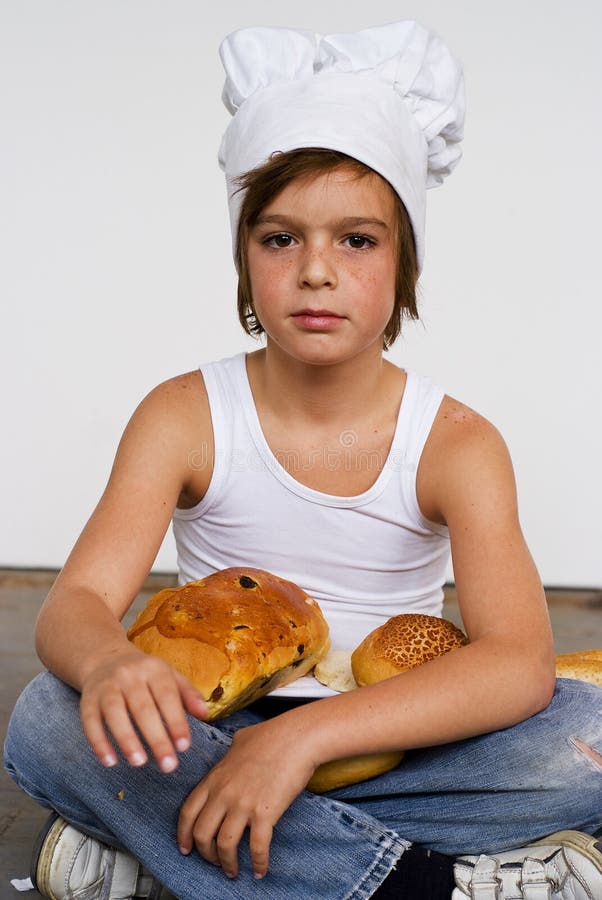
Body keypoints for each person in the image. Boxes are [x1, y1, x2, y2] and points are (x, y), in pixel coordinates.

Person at [4, 20, 602, 900]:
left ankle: (162, 845)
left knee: (587, 737)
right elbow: (78, 605)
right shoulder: (184, 415)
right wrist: (109, 665)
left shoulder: (457, 442)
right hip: (218, 724)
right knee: (43, 721)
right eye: (280, 239)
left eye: (357, 241)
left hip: (397, 737)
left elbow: (515, 660)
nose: (315, 271)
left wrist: (301, 742)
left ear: (405, 266)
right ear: (245, 263)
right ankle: (437, 884)